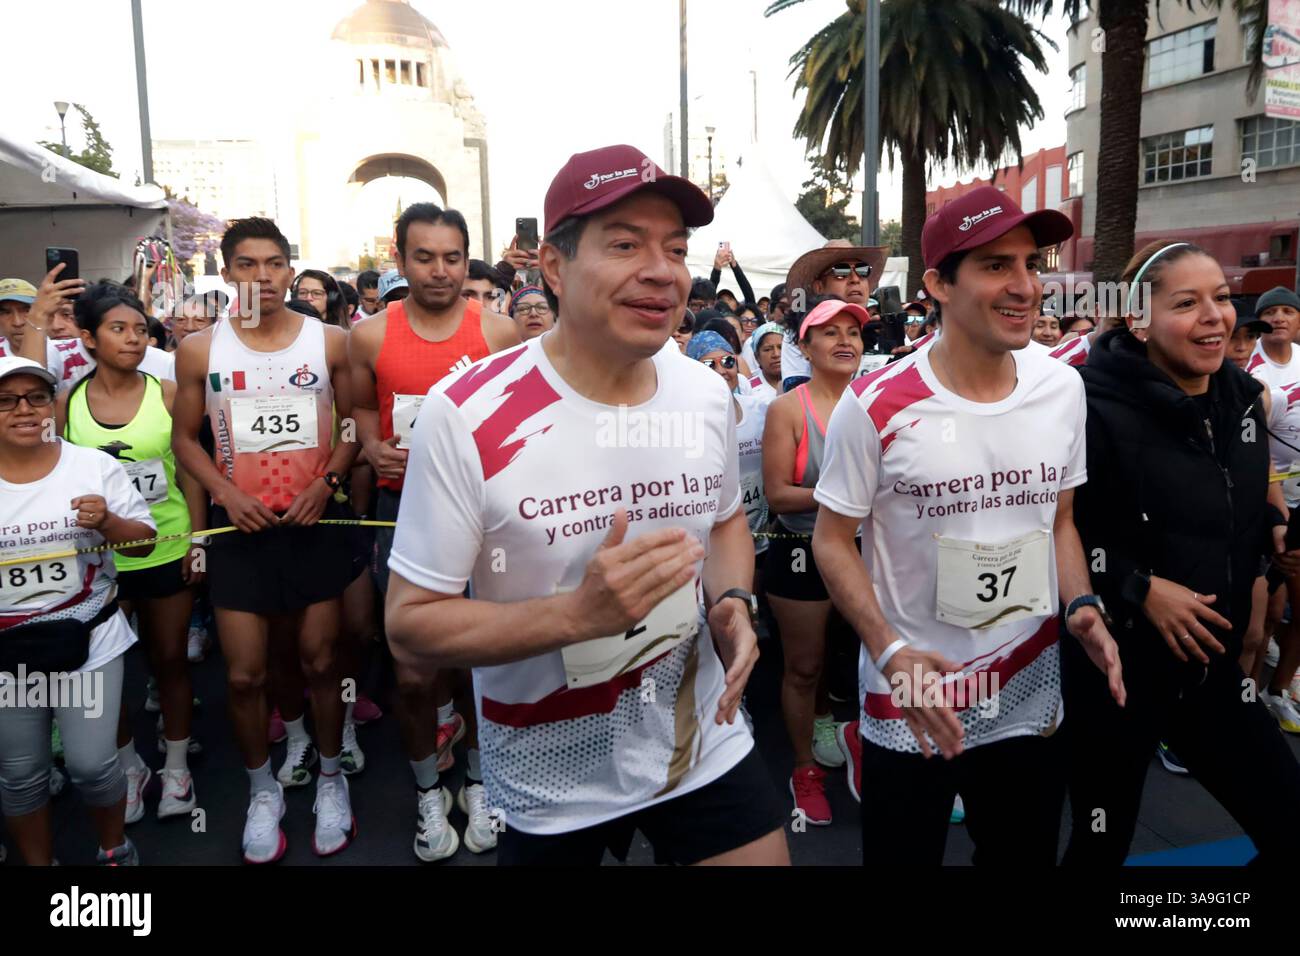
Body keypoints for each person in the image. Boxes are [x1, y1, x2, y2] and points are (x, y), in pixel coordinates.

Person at [384, 143, 789, 866]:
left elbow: (726, 517)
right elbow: (411, 626)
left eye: (675, 247)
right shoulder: (468, 411)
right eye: (625, 244)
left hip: (697, 733)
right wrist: (577, 617)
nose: (661, 269)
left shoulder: (703, 393)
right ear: (554, 265)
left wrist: (732, 599)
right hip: (549, 764)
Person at [811, 185, 1122, 865]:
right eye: (994, 266)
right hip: (914, 692)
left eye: (1031, 264)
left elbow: (1060, 520)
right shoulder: (874, 405)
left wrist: (1083, 602)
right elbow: (831, 540)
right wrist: (890, 654)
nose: (1024, 287)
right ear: (937, 285)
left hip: (1027, 679)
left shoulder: (1061, 388)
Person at [1063, 242, 1300, 864]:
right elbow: (1053, 534)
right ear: (1138, 318)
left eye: (1221, 298)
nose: (1215, 317)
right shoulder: (1083, 405)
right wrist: (1141, 587)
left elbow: (1241, 506)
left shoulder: (1245, 400)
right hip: (1114, 672)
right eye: (1187, 303)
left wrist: (1272, 532)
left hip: (1210, 669)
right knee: (1099, 846)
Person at [172, 217, 363, 863]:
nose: (263, 277)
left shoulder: (330, 341)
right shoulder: (200, 350)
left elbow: (355, 428)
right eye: (248, 265)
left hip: (313, 523)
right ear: (227, 273)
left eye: (275, 264)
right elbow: (182, 441)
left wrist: (328, 480)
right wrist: (223, 496)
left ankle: (332, 779)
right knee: (247, 674)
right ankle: (262, 791)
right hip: (240, 528)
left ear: (290, 270)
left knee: (319, 660)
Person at [349, 201, 519, 860]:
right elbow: (362, 409)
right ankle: (427, 790)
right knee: (414, 673)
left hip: (485, 521)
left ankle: (480, 781)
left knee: (481, 662)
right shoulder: (368, 336)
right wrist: (369, 447)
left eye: (452, 256)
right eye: (425, 257)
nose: (440, 270)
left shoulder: (500, 333)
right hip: (405, 515)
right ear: (400, 259)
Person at [56, 282, 206, 823]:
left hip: (163, 546)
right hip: (98, 562)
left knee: (169, 661)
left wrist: (196, 538)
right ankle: (126, 764)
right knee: (108, 669)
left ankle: (175, 765)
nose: (134, 339)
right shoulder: (67, 401)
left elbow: (189, 468)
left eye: (141, 329)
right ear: (88, 337)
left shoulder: (166, 394)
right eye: (118, 329)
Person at [0, 355, 157, 865]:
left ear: (53, 404)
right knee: (22, 774)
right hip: (9, 651)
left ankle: (114, 849)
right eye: (5, 401)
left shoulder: (92, 466)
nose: (23, 410)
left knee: (91, 765)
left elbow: (144, 545)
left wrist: (109, 522)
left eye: (37, 397)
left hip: (86, 637)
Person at [761, 296, 869, 824]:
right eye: (829, 333)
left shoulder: (876, 401)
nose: (845, 340)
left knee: (870, 660)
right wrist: (846, 495)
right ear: (804, 347)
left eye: (853, 331)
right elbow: (778, 496)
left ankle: (867, 741)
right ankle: (804, 769)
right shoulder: (788, 409)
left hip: (865, 551)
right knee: (803, 668)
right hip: (799, 553)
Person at [1244, 285, 1300, 730]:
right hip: (1266, 502)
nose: (1280, 318)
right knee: (1257, 625)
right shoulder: (1250, 371)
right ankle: (1243, 699)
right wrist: (1277, 511)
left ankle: (1277, 690)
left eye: (1288, 310)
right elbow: (1256, 455)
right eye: (1272, 312)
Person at [688, 330, 772, 588]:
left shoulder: (760, 410)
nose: (722, 371)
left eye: (727, 362)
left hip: (764, 540)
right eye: (708, 365)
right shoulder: (688, 425)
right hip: (718, 547)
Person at [780, 240, 888, 392]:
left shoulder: (888, 328)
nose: (855, 279)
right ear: (819, 287)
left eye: (862, 271)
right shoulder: (799, 331)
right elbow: (800, 398)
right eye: (841, 272)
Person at [746, 321, 783, 402]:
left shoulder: (803, 382)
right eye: (767, 349)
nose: (776, 354)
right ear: (757, 357)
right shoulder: (748, 389)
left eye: (781, 347)